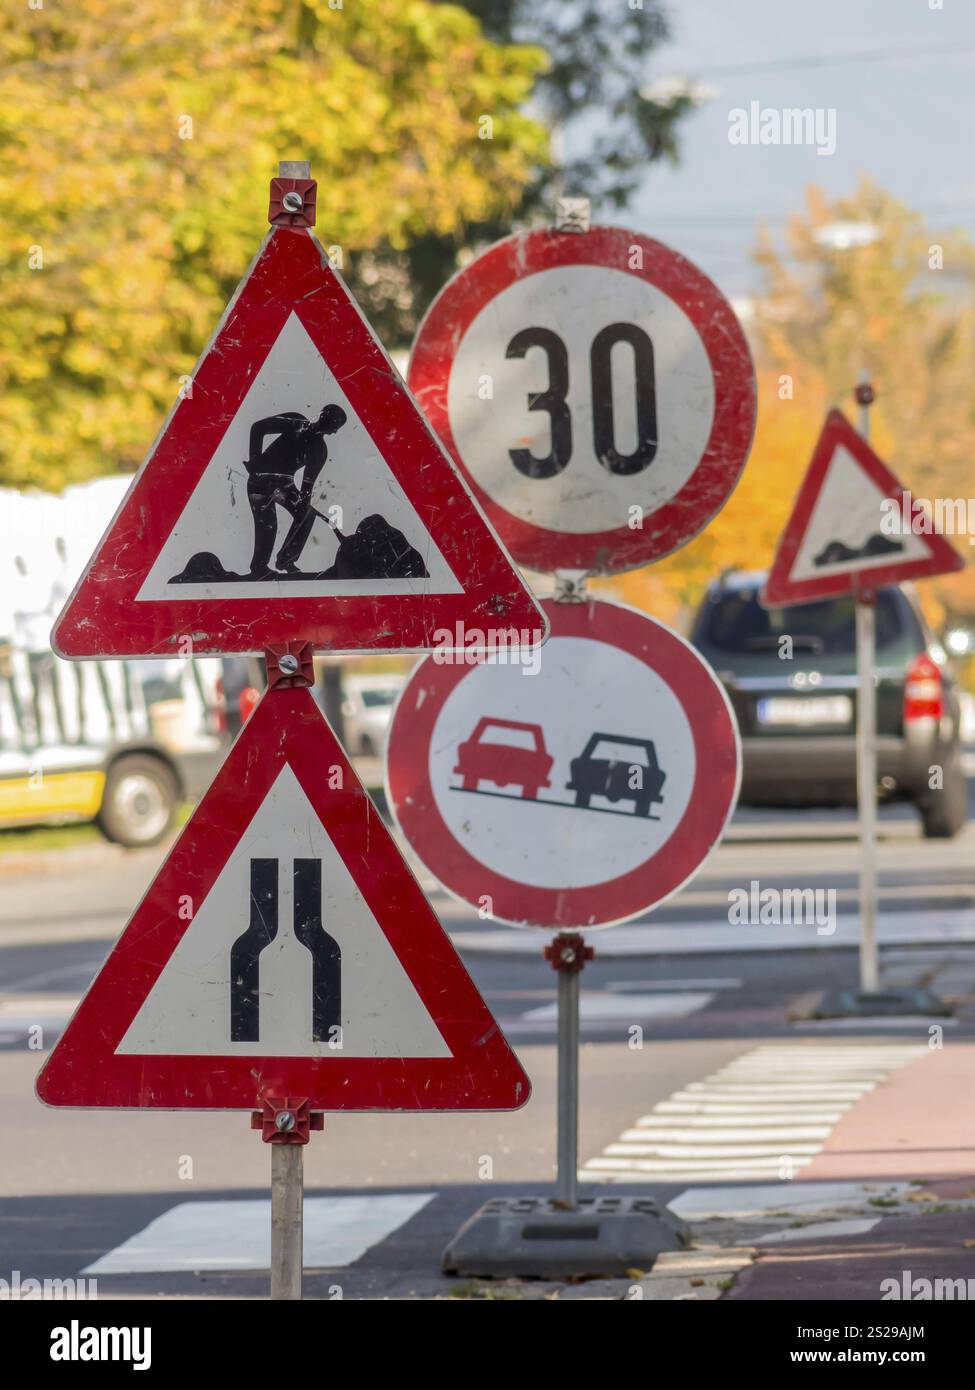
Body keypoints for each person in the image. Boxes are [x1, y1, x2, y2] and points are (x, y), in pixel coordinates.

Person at [244, 403, 347, 577]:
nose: (331, 429)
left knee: (306, 514)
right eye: (331, 423)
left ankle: (286, 560)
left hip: (283, 487)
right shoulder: (296, 421)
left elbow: (308, 486)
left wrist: (304, 503)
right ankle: (259, 567)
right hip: (260, 481)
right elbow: (258, 428)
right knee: (268, 524)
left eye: (333, 426)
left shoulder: (319, 451)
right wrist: (255, 460)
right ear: (323, 417)